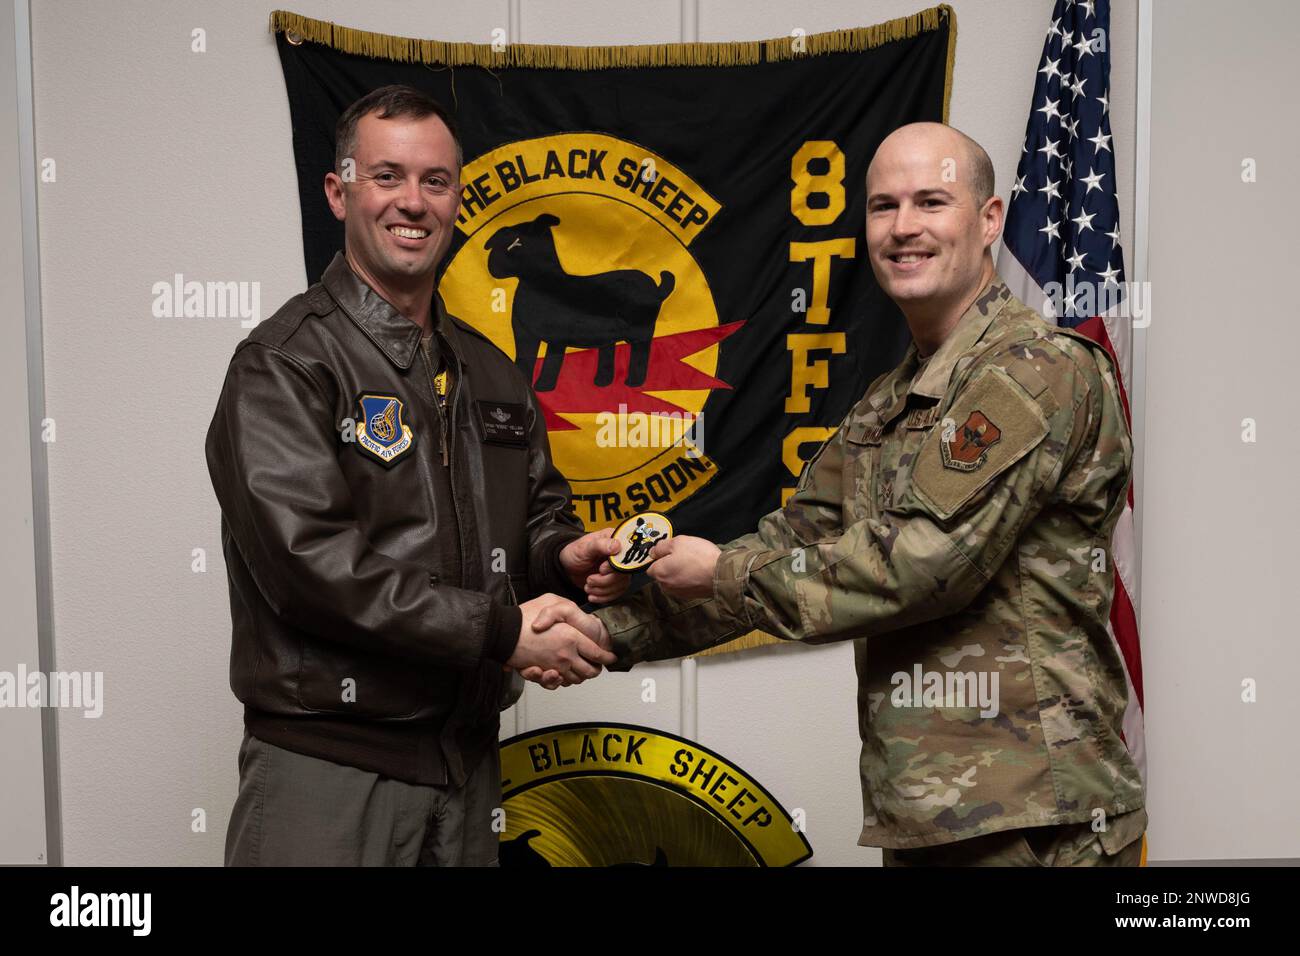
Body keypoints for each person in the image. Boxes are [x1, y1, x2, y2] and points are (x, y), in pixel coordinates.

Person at [526, 122, 1146, 867]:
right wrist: (605, 634)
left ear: (989, 221)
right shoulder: (889, 404)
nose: (904, 227)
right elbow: (790, 547)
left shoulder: (1035, 371)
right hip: (930, 817)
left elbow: (923, 564)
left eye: (931, 201)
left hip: (1041, 817)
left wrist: (719, 573)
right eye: (883, 206)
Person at [205, 85, 623, 866]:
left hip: (466, 771)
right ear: (339, 191)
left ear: (458, 199)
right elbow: (311, 568)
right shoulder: (284, 364)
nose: (413, 202)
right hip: (328, 772)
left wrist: (565, 557)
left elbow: (536, 518)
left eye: (435, 181)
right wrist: (502, 633)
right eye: (387, 176)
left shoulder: (492, 371)